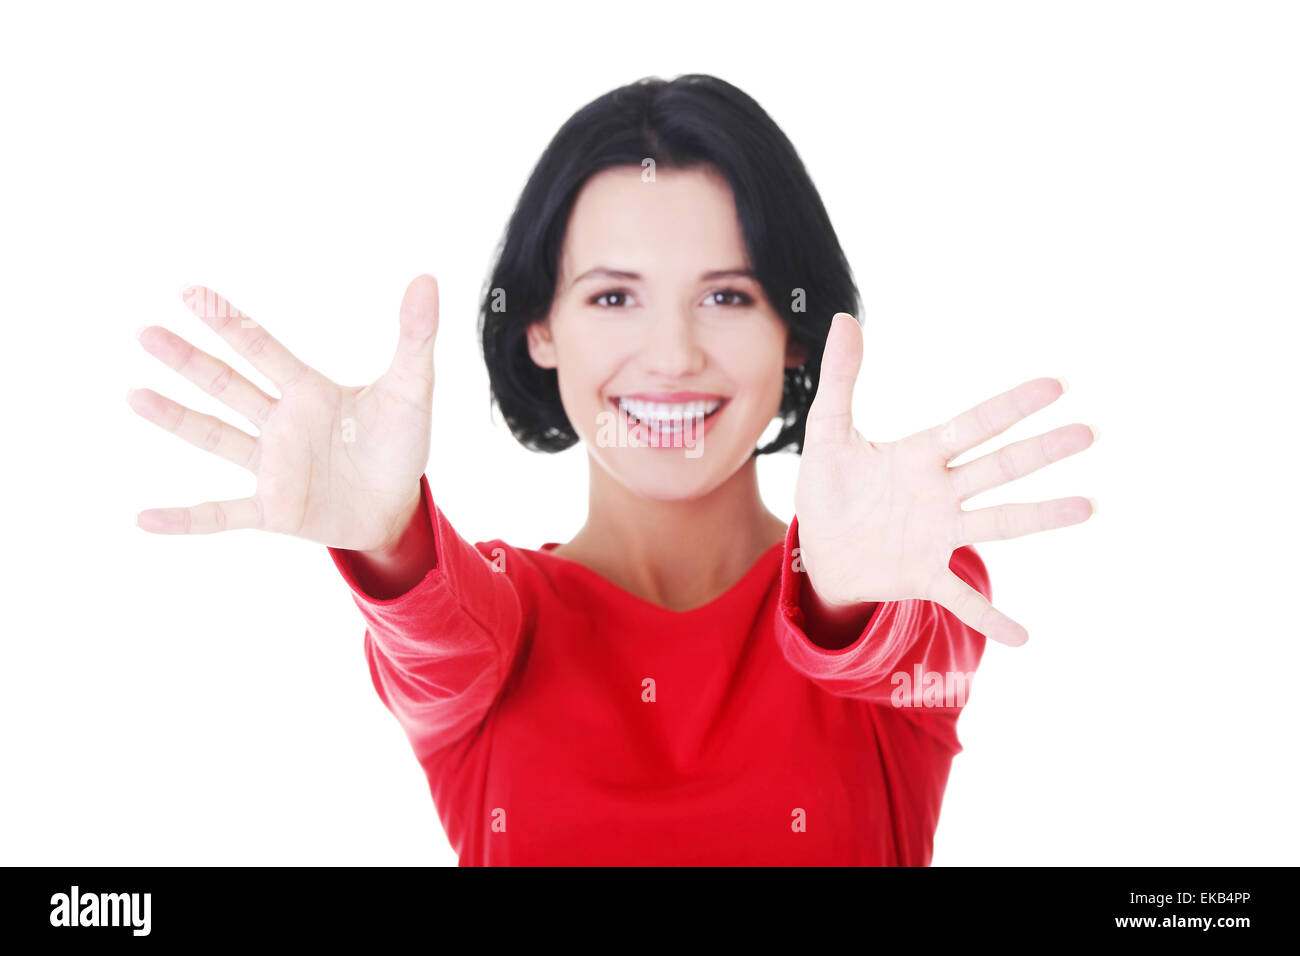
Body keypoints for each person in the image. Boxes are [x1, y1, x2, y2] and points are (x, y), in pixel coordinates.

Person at [129, 75, 1096, 865]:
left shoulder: (901, 582)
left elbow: (889, 645)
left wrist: (837, 600)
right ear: (541, 329)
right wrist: (388, 542)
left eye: (725, 294)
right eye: (614, 297)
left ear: (794, 333)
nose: (671, 355)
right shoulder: (497, 627)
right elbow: (435, 638)